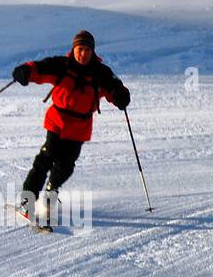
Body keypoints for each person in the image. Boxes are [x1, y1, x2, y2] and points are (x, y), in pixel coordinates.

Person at [11, 30, 130, 227]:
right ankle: (27, 200)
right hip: (57, 121)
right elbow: (39, 68)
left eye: (87, 50)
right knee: (45, 158)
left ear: (93, 51)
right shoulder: (62, 65)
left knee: (66, 166)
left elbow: (116, 87)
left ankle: (51, 190)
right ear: (74, 49)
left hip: (80, 128)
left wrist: (121, 96)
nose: (83, 54)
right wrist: (25, 71)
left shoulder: (101, 73)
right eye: (80, 49)